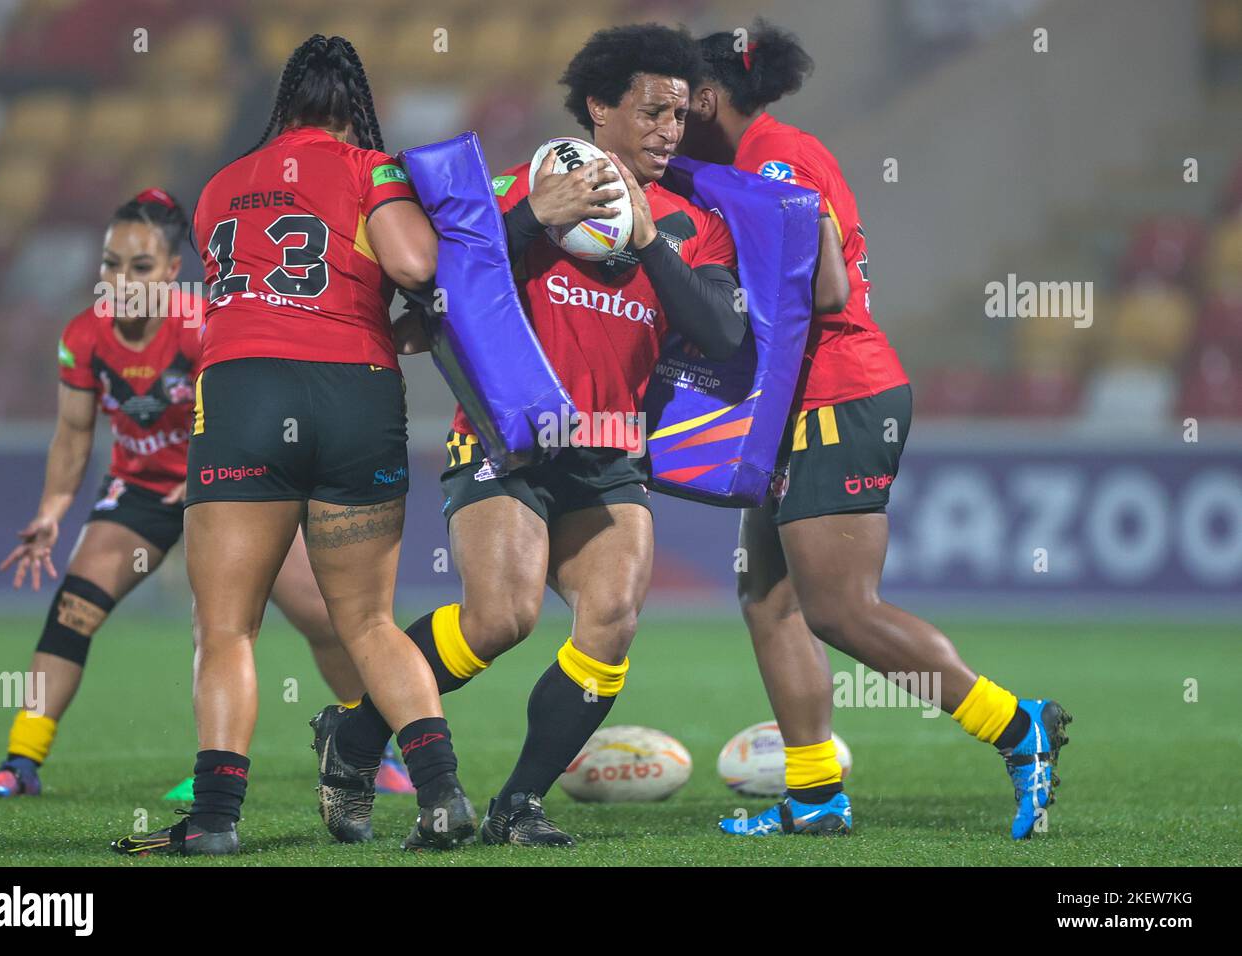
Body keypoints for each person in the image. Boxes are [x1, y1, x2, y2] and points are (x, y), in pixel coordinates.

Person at [316, 23, 747, 847]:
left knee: (612, 614)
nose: (669, 130)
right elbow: (436, 283)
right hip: (504, 439)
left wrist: (653, 242)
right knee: (500, 617)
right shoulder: (518, 184)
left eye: (682, 116)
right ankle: (358, 732)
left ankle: (518, 806)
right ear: (598, 106)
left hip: (611, 449)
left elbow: (721, 335)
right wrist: (528, 221)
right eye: (652, 110)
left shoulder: (696, 221)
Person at [680, 20, 1071, 840]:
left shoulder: (772, 157)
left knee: (841, 610)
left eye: (681, 105)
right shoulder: (760, 156)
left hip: (838, 393)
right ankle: (817, 796)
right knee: (768, 599)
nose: (672, 121)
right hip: (798, 404)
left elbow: (820, 287)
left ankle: (1016, 725)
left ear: (709, 97)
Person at [112, 35, 472, 857]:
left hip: (243, 393)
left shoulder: (220, 186)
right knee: (371, 623)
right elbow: (417, 265)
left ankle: (212, 821)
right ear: (355, 108)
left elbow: (247, 286)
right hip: (355, 393)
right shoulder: (369, 167)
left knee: (228, 628)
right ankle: (442, 795)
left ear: (283, 104)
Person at [0, 189, 408, 800]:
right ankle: (20, 763)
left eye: (139, 266)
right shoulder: (83, 337)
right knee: (73, 610)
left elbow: (250, 409)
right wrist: (52, 509)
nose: (120, 278)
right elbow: (72, 436)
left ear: (173, 272)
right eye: (110, 263)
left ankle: (368, 753)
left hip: (233, 488)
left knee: (323, 618)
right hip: (143, 492)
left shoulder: (204, 325)